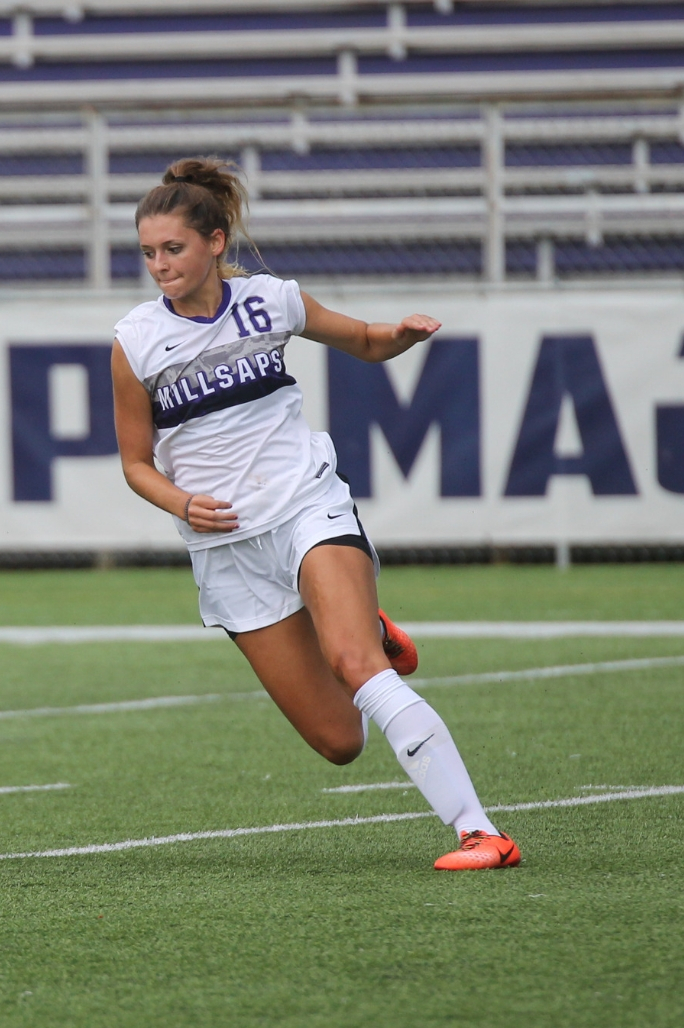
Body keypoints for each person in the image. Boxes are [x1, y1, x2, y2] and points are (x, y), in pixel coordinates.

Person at [109, 158, 519, 872]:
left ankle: (479, 831)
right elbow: (136, 463)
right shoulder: (136, 341)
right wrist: (181, 502)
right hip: (229, 550)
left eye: (172, 248)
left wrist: (398, 335)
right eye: (148, 252)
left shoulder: (273, 300)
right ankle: (366, 626)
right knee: (339, 740)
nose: (159, 265)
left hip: (306, 505)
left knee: (355, 666)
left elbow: (361, 340)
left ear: (214, 240)